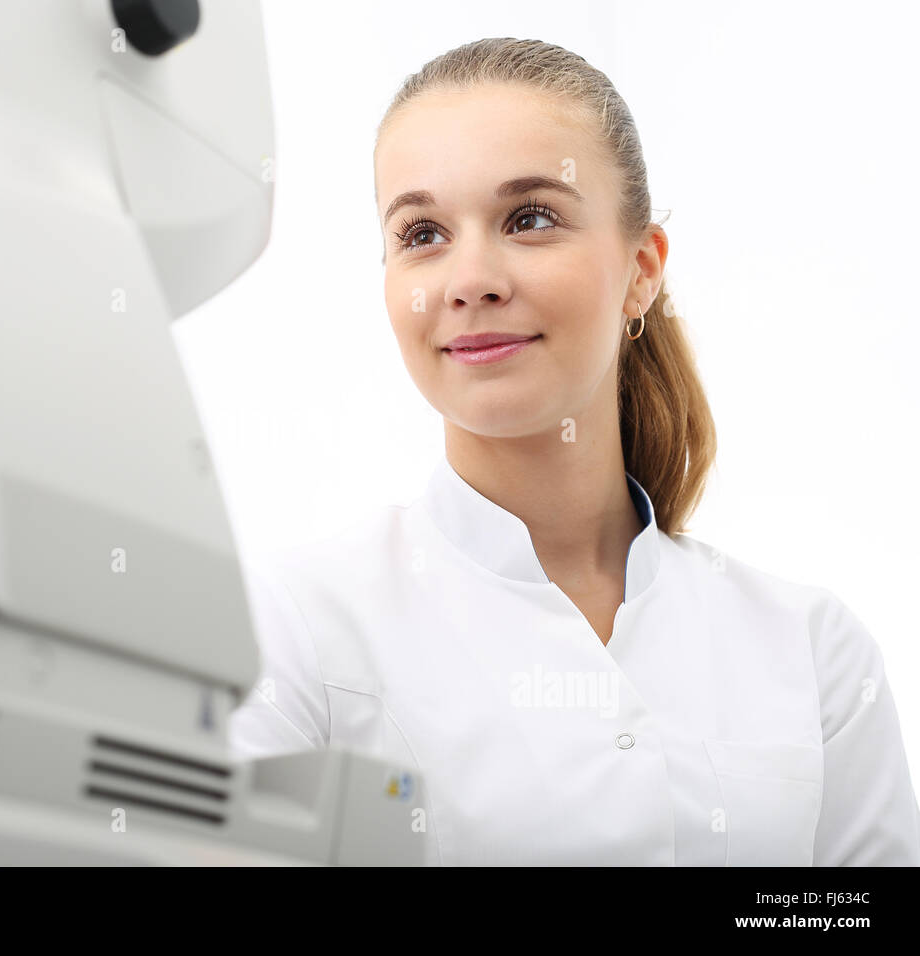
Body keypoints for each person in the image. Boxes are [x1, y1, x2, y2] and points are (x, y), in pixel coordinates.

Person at [226, 37, 920, 866]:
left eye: (531, 218)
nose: (469, 278)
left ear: (640, 270)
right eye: (422, 232)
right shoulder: (288, 632)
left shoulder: (814, 651)